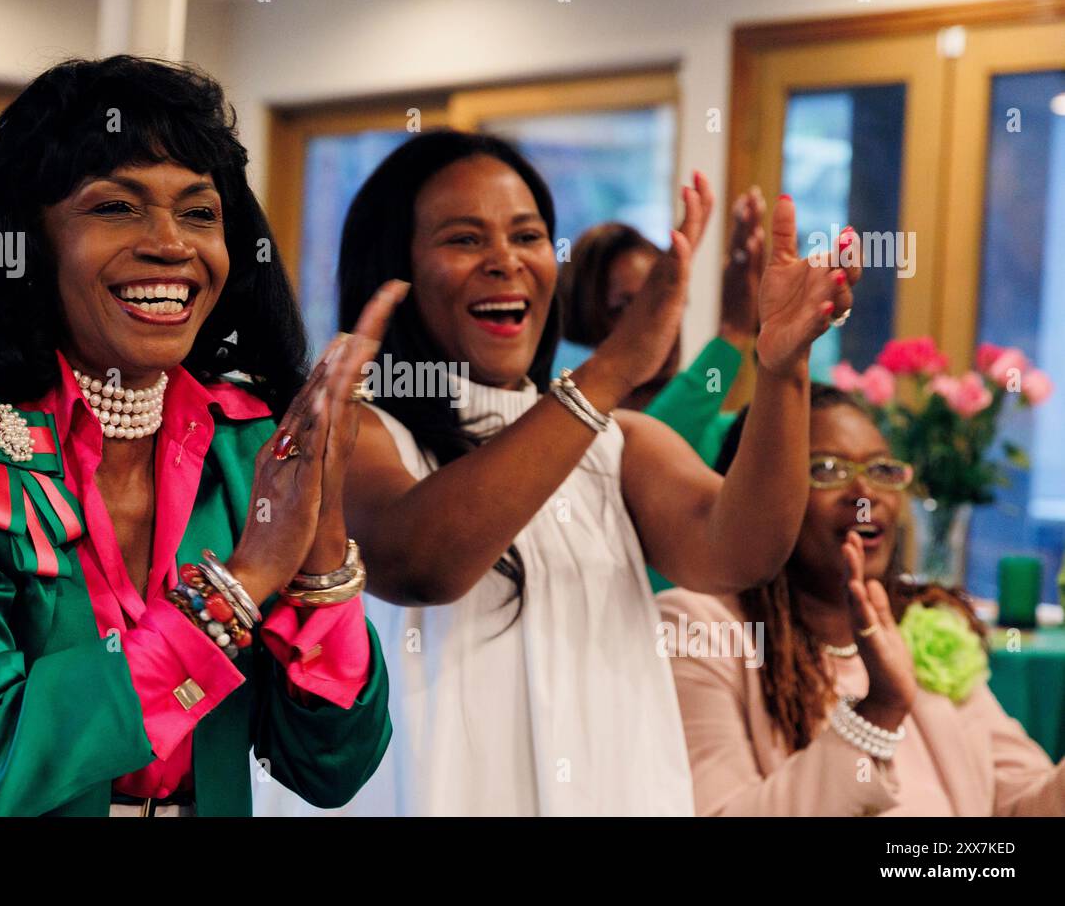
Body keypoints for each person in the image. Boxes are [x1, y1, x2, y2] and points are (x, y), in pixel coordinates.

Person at [0, 55, 404, 817]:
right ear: (31, 242)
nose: (171, 244)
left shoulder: (247, 442)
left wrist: (319, 536)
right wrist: (240, 585)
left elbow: (332, 768)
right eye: (116, 207)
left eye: (200, 213)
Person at [256, 129, 860, 816]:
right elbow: (421, 565)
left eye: (528, 236)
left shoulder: (620, 444)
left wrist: (783, 366)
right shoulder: (356, 435)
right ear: (395, 267)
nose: (506, 262)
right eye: (464, 239)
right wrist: (615, 366)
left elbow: (743, 552)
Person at [658, 384, 1065, 816]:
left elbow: (1023, 804)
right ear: (753, 493)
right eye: (827, 470)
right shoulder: (699, 629)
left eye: (882, 470)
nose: (865, 493)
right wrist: (877, 712)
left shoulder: (920, 628)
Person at [556, 187, 766, 472]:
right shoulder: (572, 427)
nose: (661, 317)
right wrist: (733, 333)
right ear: (587, 318)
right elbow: (645, 450)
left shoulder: (715, 424)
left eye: (668, 298)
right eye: (626, 306)